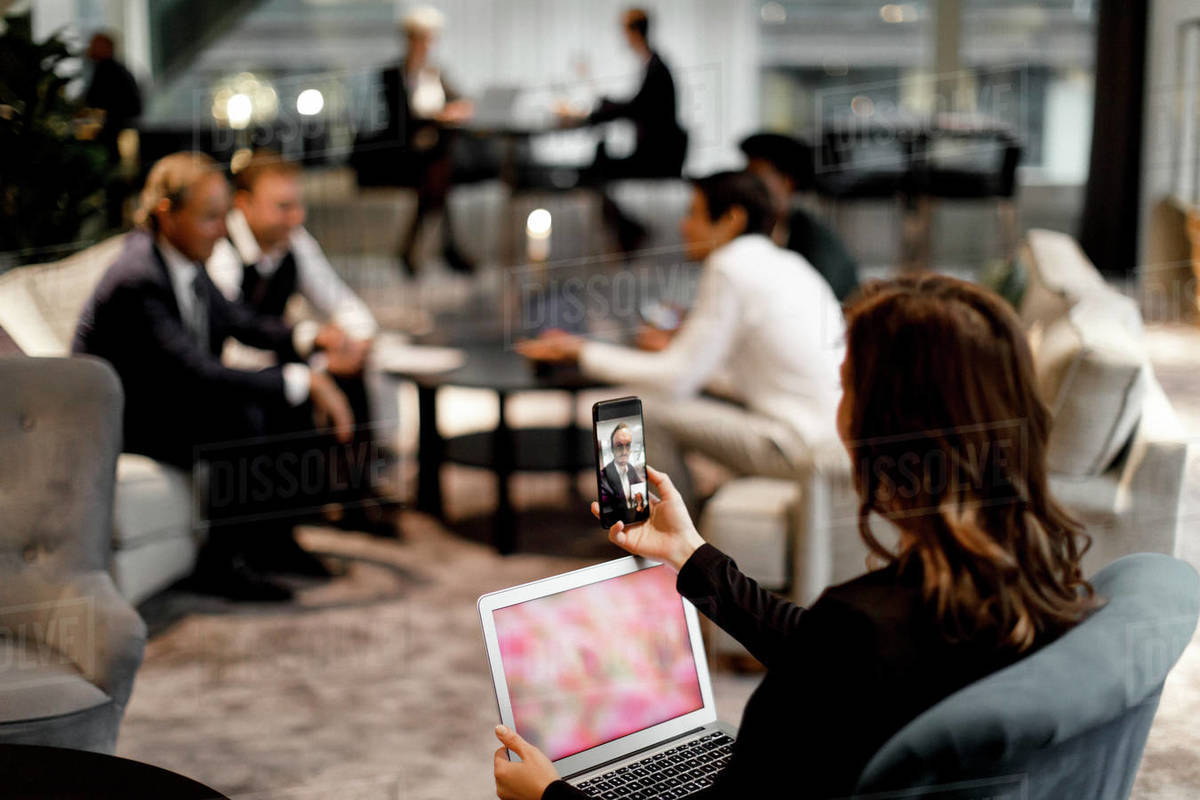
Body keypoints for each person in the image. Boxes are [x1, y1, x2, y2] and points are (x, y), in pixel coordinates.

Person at [492, 274, 1102, 799]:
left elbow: (833, 654)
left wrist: (550, 794)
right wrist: (688, 553)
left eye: (848, 386)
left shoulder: (863, 626)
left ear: (881, 427)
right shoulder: (1045, 578)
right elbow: (831, 656)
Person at [74, 152, 358, 601]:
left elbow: (238, 320)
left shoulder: (182, 257)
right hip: (123, 421)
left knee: (279, 398)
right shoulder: (138, 278)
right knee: (240, 413)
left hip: (164, 401)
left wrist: (310, 337)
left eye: (223, 217)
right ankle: (224, 564)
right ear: (167, 213)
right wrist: (302, 380)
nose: (223, 230)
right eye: (210, 218)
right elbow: (195, 371)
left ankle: (275, 542)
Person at [519, 171, 845, 509]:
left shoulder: (730, 265)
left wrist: (580, 351)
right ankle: (677, 522)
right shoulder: (789, 264)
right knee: (659, 402)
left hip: (795, 445)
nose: (683, 226)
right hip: (826, 439)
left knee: (634, 411)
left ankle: (663, 539)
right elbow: (741, 378)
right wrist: (680, 351)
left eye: (694, 213)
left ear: (732, 219)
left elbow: (676, 379)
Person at [208, 150, 398, 535]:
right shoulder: (220, 250)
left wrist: (353, 342)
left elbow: (339, 299)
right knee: (292, 388)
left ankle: (353, 495)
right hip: (237, 370)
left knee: (352, 366)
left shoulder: (293, 241)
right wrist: (308, 361)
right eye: (283, 207)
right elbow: (229, 342)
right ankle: (293, 515)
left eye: (298, 205)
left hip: (284, 355)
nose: (296, 217)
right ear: (242, 203)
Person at [559, 8, 688, 252]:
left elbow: (638, 107)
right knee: (597, 162)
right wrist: (603, 106)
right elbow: (637, 105)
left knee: (596, 169)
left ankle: (628, 231)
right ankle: (626, 230)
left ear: (633, 32)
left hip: (656, 156)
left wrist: (600, 109)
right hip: (654, 150)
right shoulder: (653, 65)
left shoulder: (656, 68)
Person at [361, 6, 475, 275]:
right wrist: (435, 118)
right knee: (438, 177)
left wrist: (452, 111)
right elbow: (398, 118)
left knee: (436, 176)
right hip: (403, 151)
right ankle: (448, 247)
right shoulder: (392, 73)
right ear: (410, 38)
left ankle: (411, 249)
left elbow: (459, 101)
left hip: (433, 150)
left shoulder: (435, 72)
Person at [740, 132, 861, 302]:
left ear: (787, 182)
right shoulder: (754, 232)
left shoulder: (815, 241)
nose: (748, 188)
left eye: (757, 178)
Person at [597, 423, 646, 524]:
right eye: (619, 446)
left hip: (637, 520)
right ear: (612, 449)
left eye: (628, 445)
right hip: (619, 524)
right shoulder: (603, 476)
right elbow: (608, 510)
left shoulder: (632, 470)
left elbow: (640, 497)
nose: (624, 451)